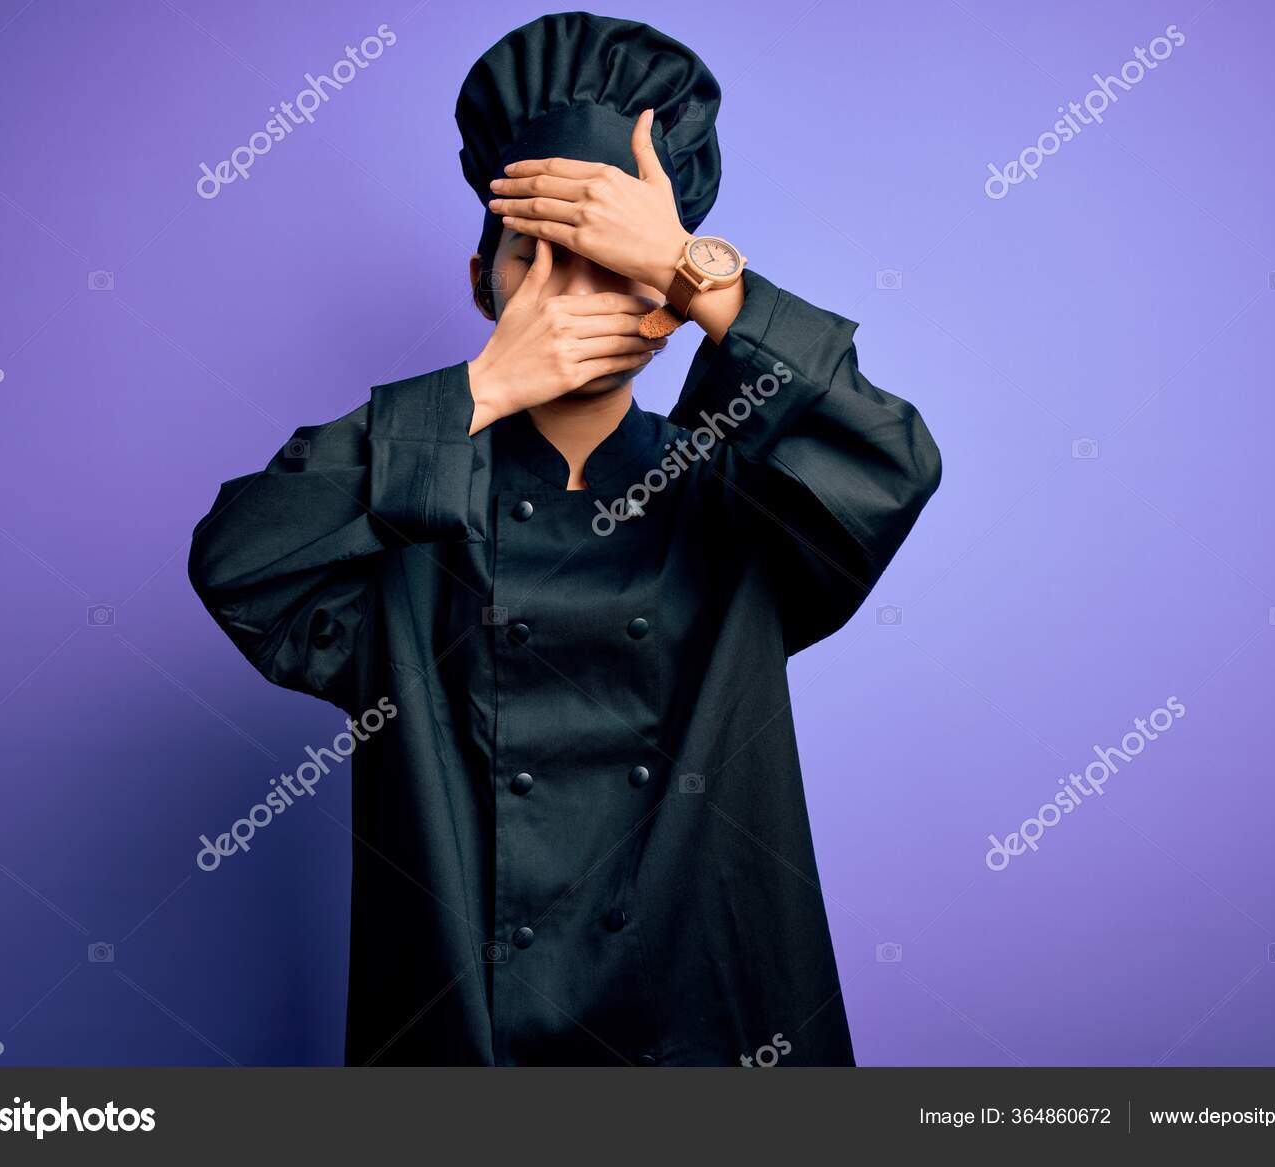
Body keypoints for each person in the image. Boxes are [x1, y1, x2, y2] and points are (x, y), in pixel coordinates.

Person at [188, 12, 941, 1066]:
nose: (571, 297)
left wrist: (698, 269)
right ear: (480, 280)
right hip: (466, 1038)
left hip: (716, 1023)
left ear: (666, 306)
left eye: (607, 263)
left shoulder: (747, 498)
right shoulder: (403, 513)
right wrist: (483, 389)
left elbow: (890, 461)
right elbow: (238, 561)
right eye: (536, 258)